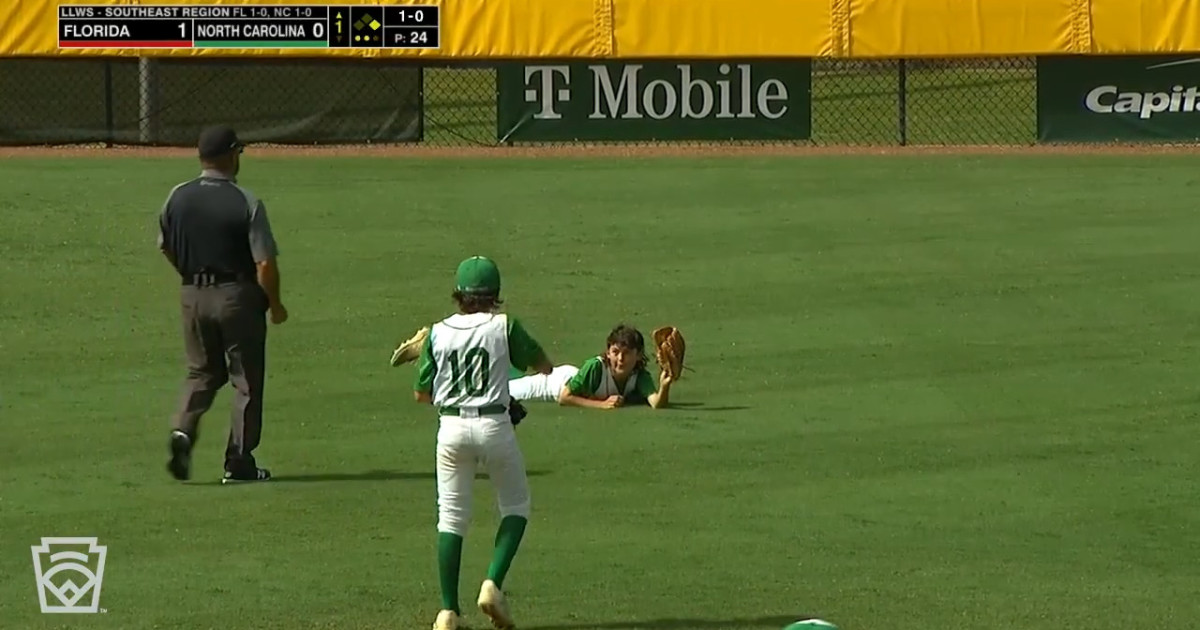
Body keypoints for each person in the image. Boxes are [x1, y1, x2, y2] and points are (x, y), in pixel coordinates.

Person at [413, 255, 554, 630]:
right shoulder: (505, 325)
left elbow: (422, 395)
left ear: (458, 294)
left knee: (451, 518)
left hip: (451, 430)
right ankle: (492, 583)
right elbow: (544, 367)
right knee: (516, 505)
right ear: (495, 293)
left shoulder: (438, 332)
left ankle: (448, 611)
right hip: (494, 426)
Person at [157, 125, 288, 485]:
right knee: (245, 381)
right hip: (236, 297)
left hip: (192, 295)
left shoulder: (176, 196)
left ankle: (183, 430)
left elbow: (166, 245)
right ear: (231, 155)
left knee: (201, 372)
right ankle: (239, 462)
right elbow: (264, 263)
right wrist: (275, 304)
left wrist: (190, 277)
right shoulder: (245, 201)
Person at [509, 324, 674, 409]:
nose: (620, 358)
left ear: (638, 355)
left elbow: (656, 403)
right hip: (550, 384)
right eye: (615, 352)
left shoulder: (639, 375)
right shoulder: (595, 367)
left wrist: (664, 386)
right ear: (608, 352)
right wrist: (602, 405)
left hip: (572, 378)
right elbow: (564, 397)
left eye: (627, 353)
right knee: (503, 392)